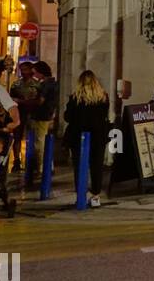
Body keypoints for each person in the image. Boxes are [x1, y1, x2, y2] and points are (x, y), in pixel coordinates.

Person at [62, 70, 110, 209]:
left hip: (78, 136)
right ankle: (95, 196)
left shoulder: (75, 98)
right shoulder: (103, 98)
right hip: (98, 136)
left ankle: (80, 195)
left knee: (79, 166)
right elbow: (104, 116)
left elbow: (68, 117)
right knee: (97, 166)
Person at [24, 60, 58, 189]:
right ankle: (49, 166)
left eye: (35, 73)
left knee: (40, 143)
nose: (34, 76)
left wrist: (26, 102)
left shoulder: (45, 85)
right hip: (48, 114)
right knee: (44, 141)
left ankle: (42, 168)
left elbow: (40, 101)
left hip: (41, 115)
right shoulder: (53, 83)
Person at [8, 60, 39, 172]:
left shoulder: (37, 85)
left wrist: (22, 101)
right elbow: (11, 100)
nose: (23, 72)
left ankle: (32, 161)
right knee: (17, 138)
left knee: (32, 138)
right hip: (19, 114)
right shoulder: (16, 85)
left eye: (25, 69)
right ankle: (17, 161)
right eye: (22, 70)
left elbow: (38, 101)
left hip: (32, 114)